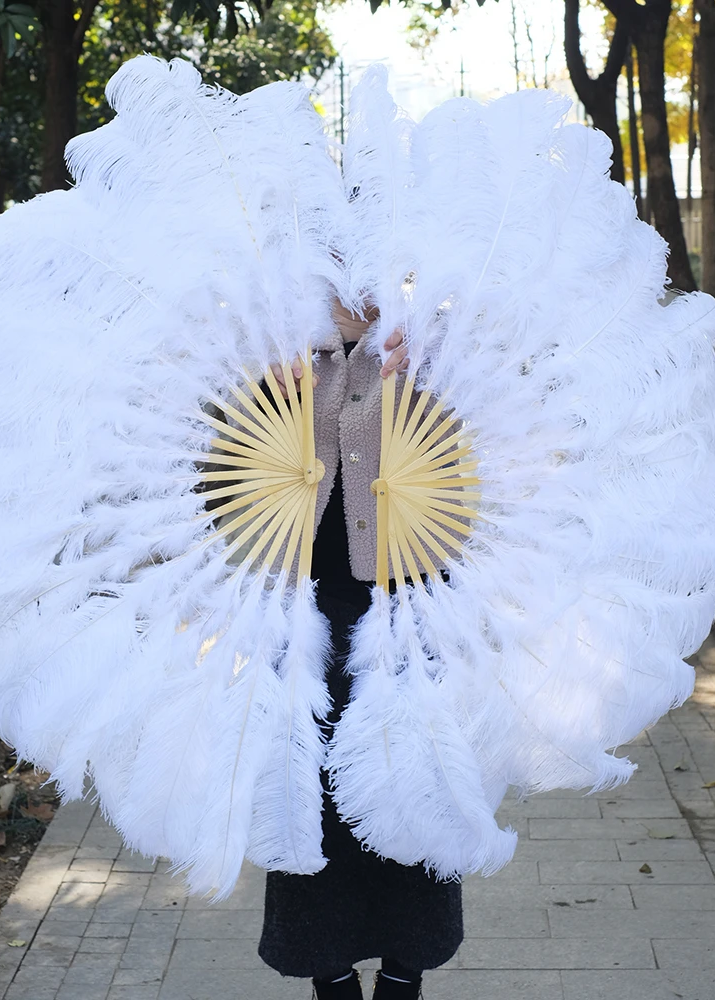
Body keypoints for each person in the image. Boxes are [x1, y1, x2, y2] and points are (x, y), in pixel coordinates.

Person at [255, 298, 462, 1000]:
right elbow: (223, 466)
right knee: (311, 805)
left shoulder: (429, 353)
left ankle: (406, 975)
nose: (354, 291)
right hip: (305, 620)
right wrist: (261, 389)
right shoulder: (274, 352)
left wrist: (433, 369)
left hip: (408, 617)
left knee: (414, 793)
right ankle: (330, 977)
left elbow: (477, 462)